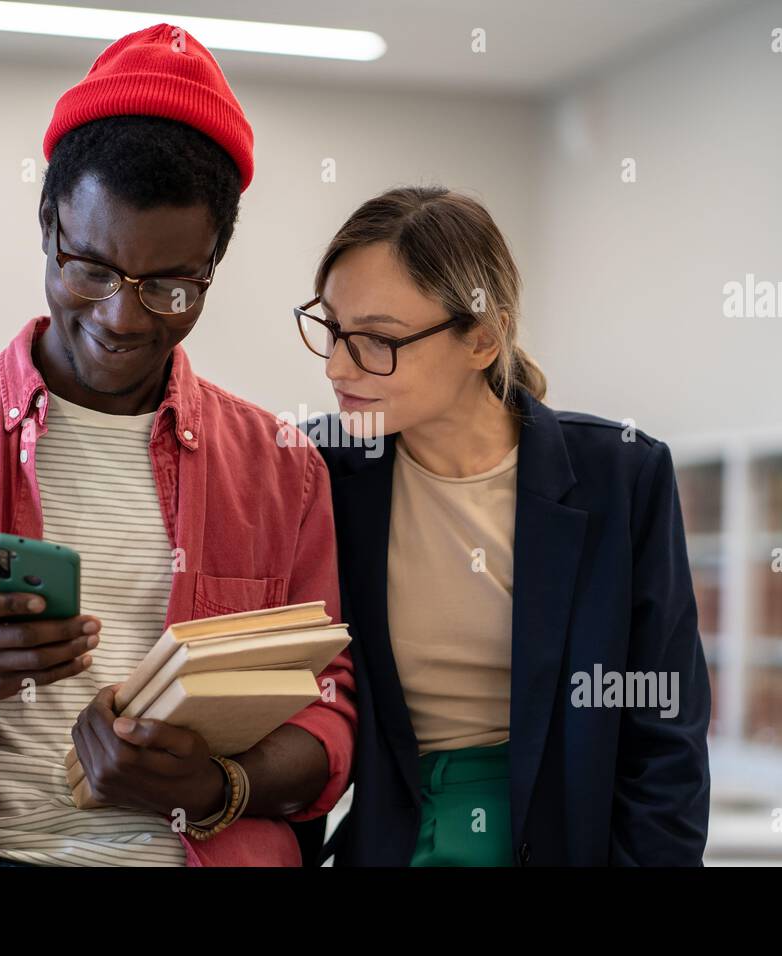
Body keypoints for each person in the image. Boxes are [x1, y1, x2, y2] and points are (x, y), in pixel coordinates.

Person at [0, 23, 354, 867]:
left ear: (214, 264)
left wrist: (212, 787)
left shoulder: (281, 470)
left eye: (169, 287)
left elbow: (328, 711)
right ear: (47, 222)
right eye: (91, 268)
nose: (123, 319)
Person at [293, 186, 710, 865]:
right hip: (393, 842)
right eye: (332, 328)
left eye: (375, 339)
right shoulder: (319, 472)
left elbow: (664, 737)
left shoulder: (621, 476)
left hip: (565, 840)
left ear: (482, 338)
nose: (338, 367)